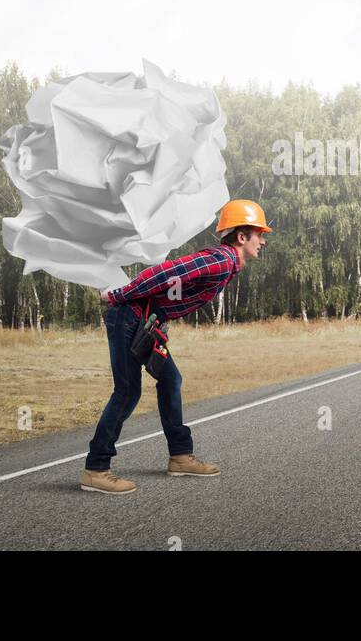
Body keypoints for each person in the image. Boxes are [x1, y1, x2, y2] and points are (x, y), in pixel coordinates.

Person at [79, 199, 272, 495]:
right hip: (128, 316)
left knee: (171, 379)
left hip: (144, 322)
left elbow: (172, 292)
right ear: (242, 237)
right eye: (260, 234)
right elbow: (164, 274)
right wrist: (118, 295)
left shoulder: (227, 264)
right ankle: (96, 468)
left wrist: (160, 322)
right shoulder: (221, 260)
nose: (263, 240)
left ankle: (180, 457)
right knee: (127, 391)